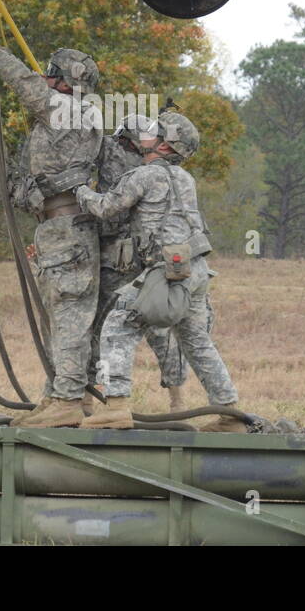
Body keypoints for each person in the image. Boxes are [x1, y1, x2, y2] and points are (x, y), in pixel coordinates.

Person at [73, 111, 245, 432]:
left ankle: (116, 407)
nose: (146, 134)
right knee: (197, 341)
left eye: (155, 131)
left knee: (117, 323)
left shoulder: (145, 176)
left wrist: (80, 190)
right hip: (196, 270)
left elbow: (105, 208)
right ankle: (230, 414)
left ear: (166, 147)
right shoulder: (185, 179)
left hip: (166, 272)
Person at [0, 29, 102, 428]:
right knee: (59, 316)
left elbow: (24, 84)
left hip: (67, 228)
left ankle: (68, 400)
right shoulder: (75, 113)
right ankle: (60, 396)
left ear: (64, 82)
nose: (44, 79)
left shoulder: (68, 110)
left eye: (51, 73)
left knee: (70, 315)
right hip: (57, 228)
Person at [89, 114, 188, 413]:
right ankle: (176, 400)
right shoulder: (164, 170)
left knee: (107, 331)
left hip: (125, 260)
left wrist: (83, 193)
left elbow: (104, 207)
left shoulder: (123, 160)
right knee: (156, 332)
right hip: (138, 260)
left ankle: (100, 400)